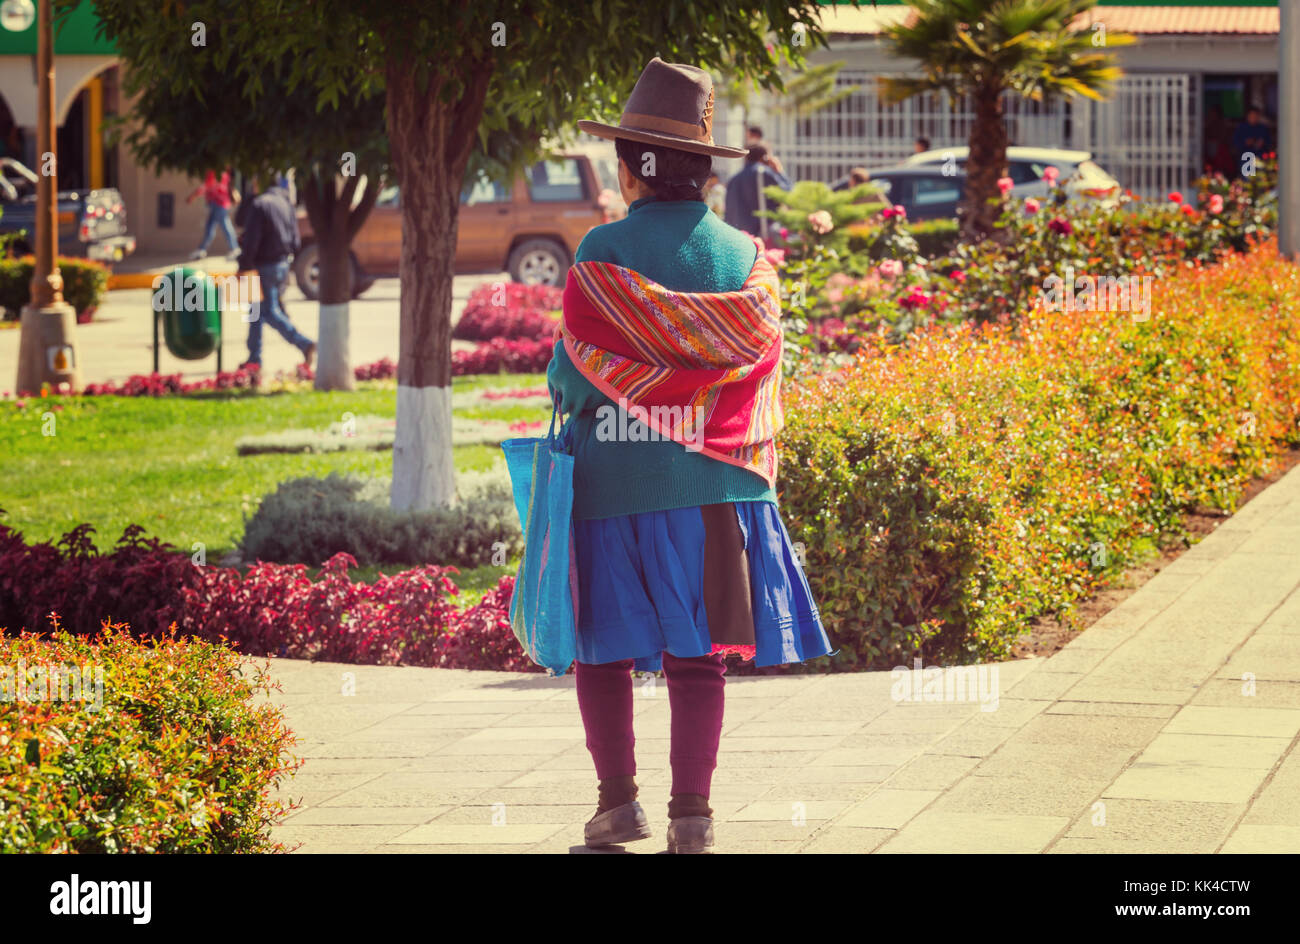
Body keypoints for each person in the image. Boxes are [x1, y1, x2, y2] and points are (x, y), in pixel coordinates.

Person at [563, 57, 831, 854]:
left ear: (631, 167)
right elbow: (760, 364)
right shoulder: (748, 260)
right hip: (718, 492)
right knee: (699, 656)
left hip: (612, 486)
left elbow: (570, 381)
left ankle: (617, 806)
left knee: (602, 650)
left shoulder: (598, 256)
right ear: (705, 173)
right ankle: (692, 819)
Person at [236, 174, 314, 371]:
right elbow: (295, 240)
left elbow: (250, 238)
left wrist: (243, 265)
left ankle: (304, 343)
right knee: (256, 312)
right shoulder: (286, 204)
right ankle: (254, 359)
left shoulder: (260, 204)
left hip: (263, 267)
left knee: (268, 312)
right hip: (281, 264)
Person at [724, 142, 792, 240]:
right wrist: (780, 172)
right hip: (763, 237)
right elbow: (789, 194)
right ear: (765, 158)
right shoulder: (765, 173)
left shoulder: (733, 180)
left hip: (739, 237)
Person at [187, 168, 240, 259]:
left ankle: (235, 248)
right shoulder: (223, 173)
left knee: (224, 227)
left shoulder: (215, 173)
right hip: (218, 204)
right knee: (210, 228)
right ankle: (201, 249)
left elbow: (205, 186)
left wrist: (193, 196)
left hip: (219, 204)